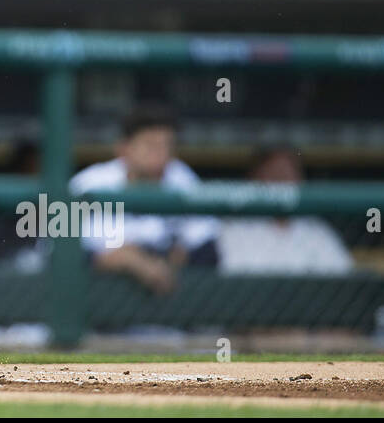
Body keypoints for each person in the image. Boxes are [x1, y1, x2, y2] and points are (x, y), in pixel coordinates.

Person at [70, 104, 219, 294]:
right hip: (96, 304)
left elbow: (208, 250)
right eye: (150, 146)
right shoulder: (87, 183)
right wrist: (125, 261)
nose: (161, 155)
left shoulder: (182, 178)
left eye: (167, 146)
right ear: (123, 149)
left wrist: (169, 261)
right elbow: (52, 251)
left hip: (164, 306)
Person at [216, 147, 353, 275]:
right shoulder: (235, 229)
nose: (283, 181)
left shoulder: (315, 231)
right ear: (255, 178)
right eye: (275, 174)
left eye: (288, 175)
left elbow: (343, 277)